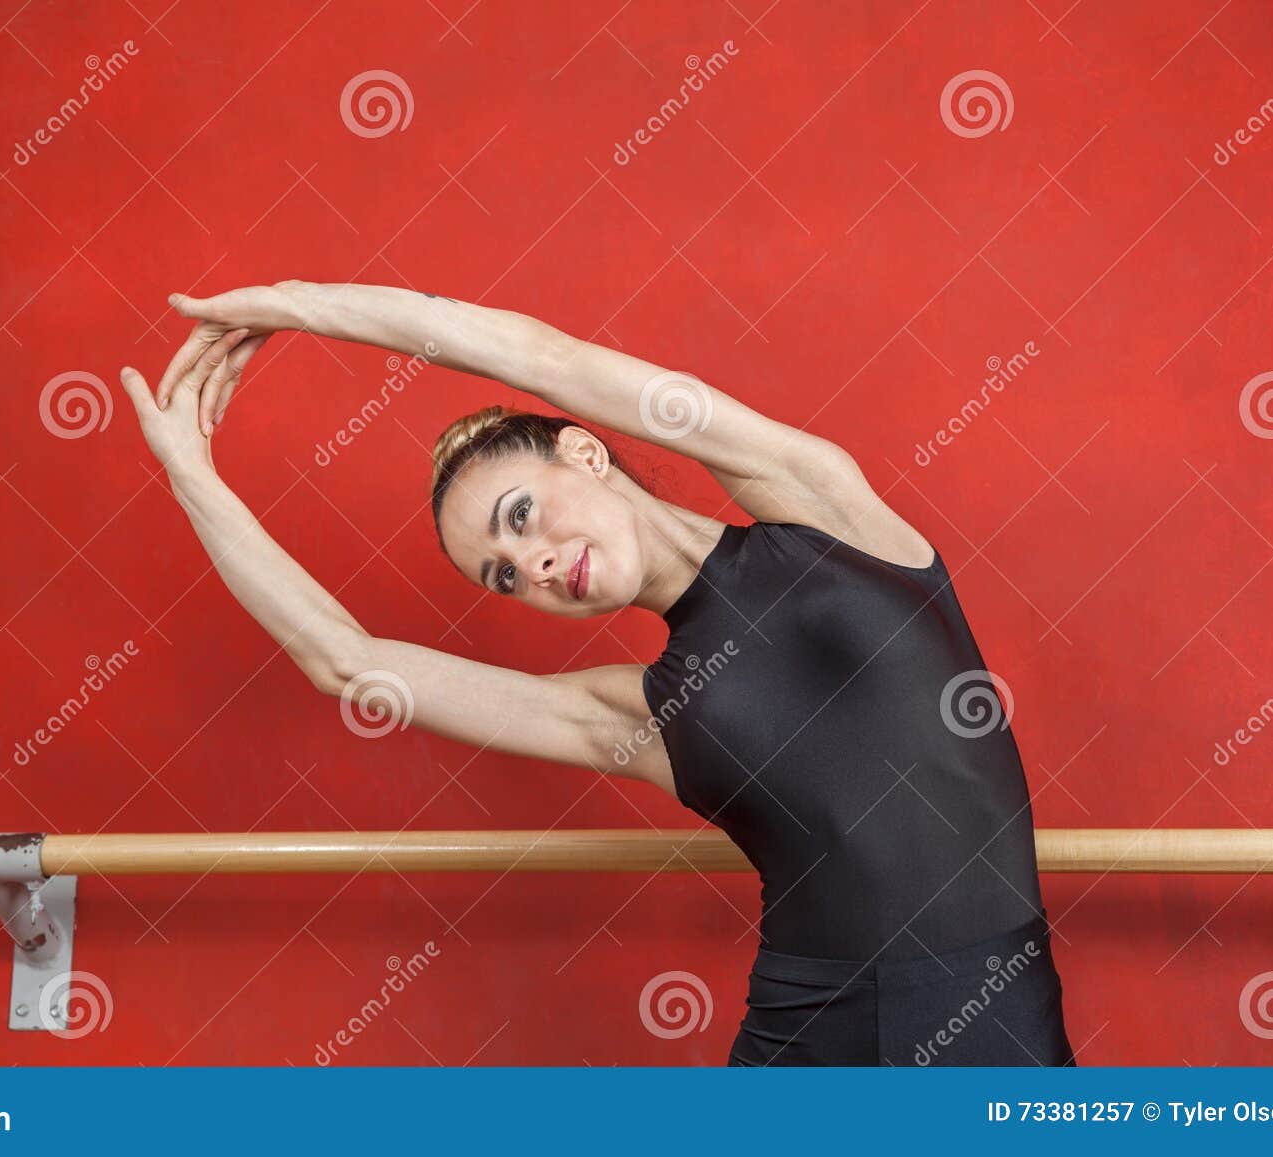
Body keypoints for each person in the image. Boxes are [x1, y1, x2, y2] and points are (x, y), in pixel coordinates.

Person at [117, 280, 1076, 1066]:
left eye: (523, 515)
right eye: (502, 572)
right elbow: (348, 661)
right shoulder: (642, 713)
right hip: (807, 1037)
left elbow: (538, 357)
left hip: (993, 1013)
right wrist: (191, 475)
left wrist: (299, 308)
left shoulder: (821, 508)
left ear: (586, 450)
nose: (529, 564)